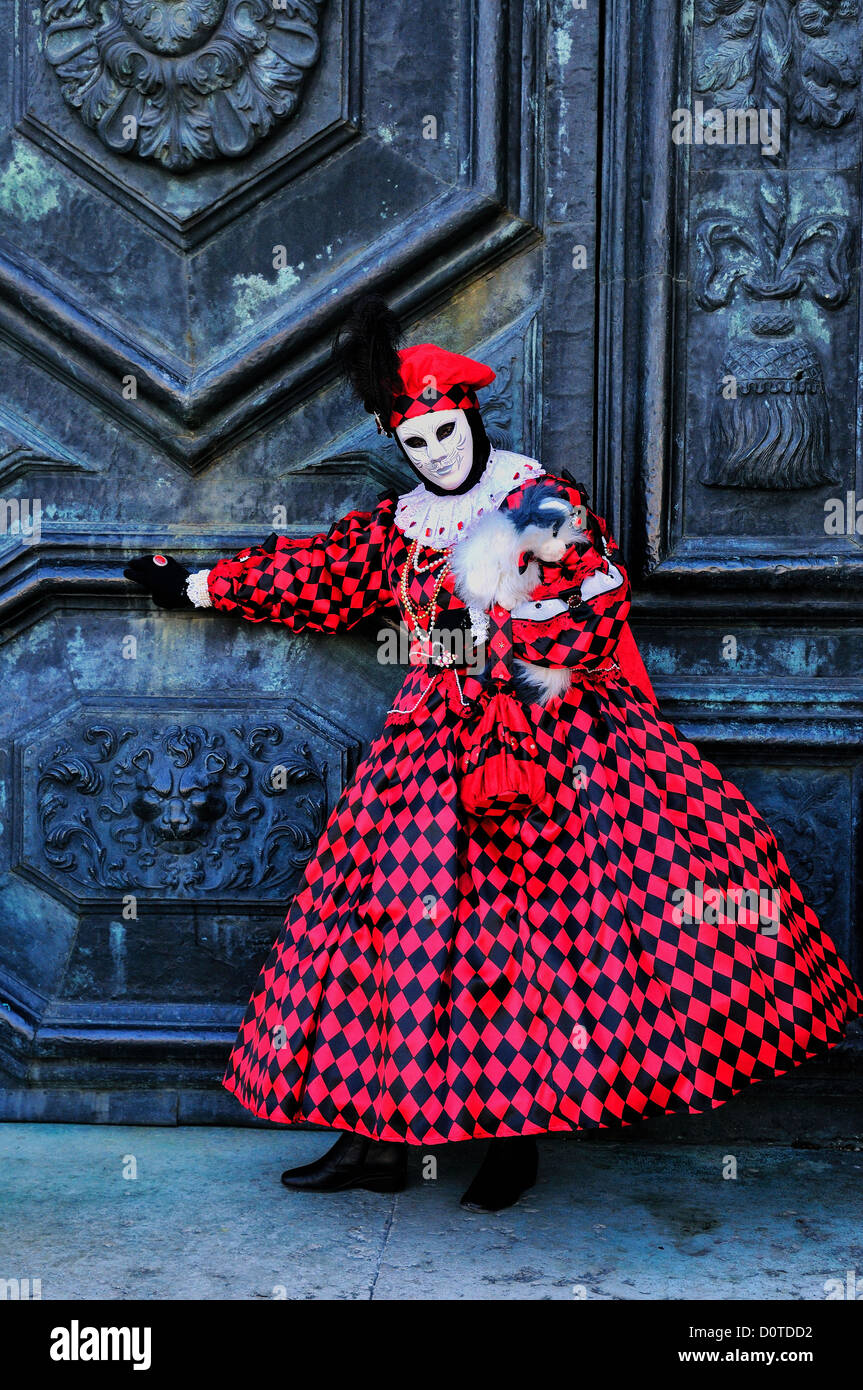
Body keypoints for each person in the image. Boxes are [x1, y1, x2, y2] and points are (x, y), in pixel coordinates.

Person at [125, 296, 861, 1213]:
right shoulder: (398, 528)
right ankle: (375, 1142)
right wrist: (192, 583)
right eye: (417, 442)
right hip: (428, 744)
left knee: (534, 936)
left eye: (445, 432)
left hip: (545, 743)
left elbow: (596, 598)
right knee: (387, 934)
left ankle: (519, 1145)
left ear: (470, 420)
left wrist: (512, 641)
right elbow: (311, 575)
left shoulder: (535, 500)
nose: (435, 454)